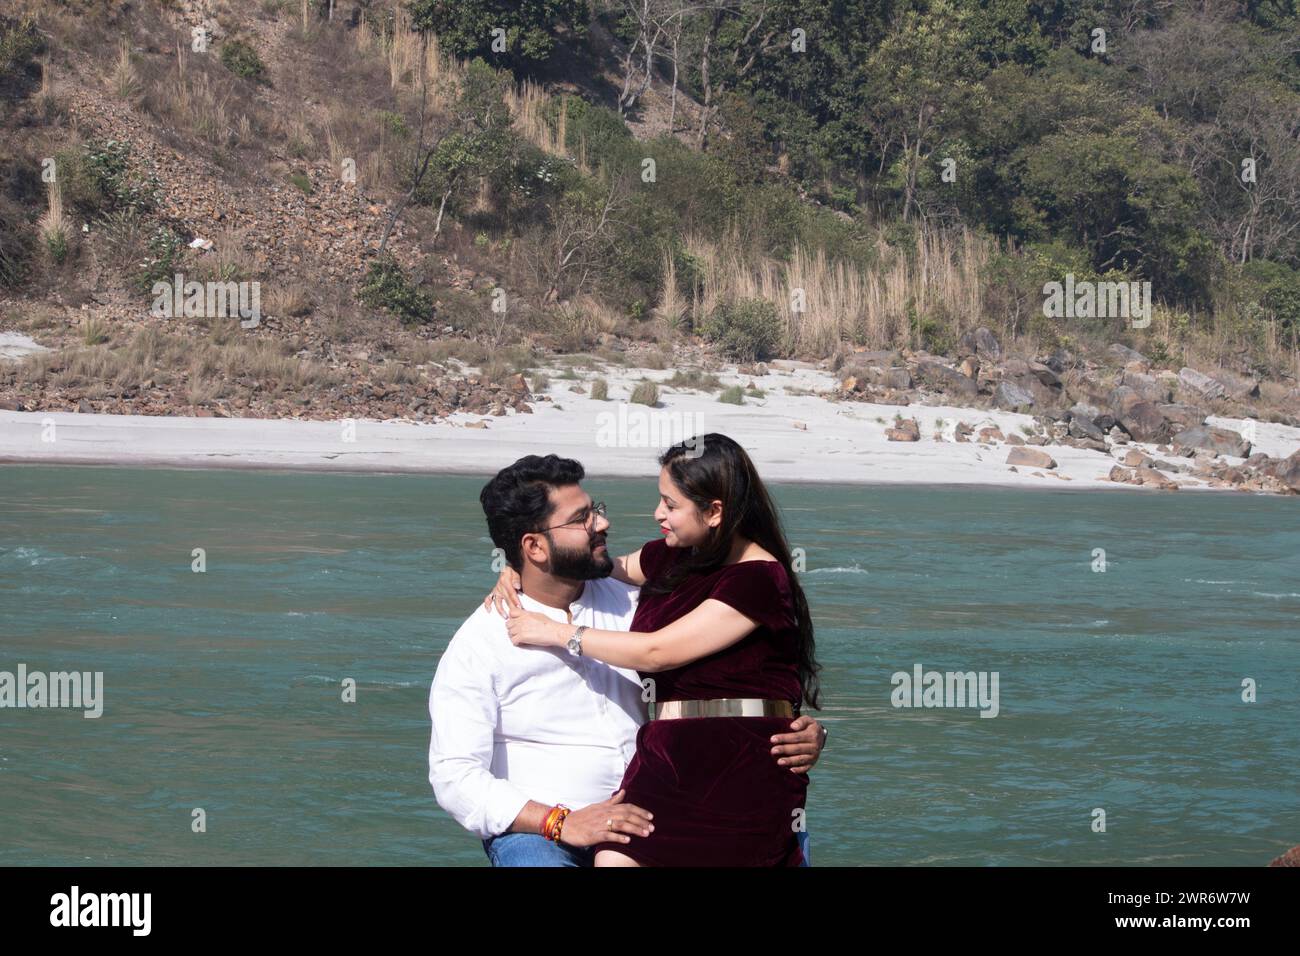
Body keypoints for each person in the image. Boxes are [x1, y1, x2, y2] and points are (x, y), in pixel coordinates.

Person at [429, 453, 827, 867]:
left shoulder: (642, 603)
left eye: (596, 509)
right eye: (582, 518)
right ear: (533, 546)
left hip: (667, 810)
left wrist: (798, 726)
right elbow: (455, 779)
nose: (602, 523)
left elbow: (739, 670)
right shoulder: (481, 644)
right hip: (546, 835)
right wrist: (560, 821)